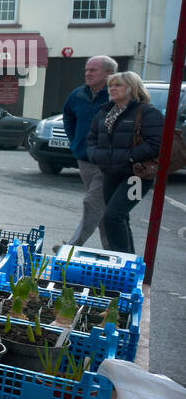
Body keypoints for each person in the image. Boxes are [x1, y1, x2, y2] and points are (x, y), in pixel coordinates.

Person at [85, 71, 163, 256]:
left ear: (132, 88)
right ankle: (127, 261)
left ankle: (122, 261)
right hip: (111, 173)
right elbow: (91, 139)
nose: (112, 88)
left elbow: (157, 143)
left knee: (113, 216)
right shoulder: (105, 113)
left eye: (118, 85)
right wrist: (96, 156)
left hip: (136, 176)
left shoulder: (147, 113)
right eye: (111, 85)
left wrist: (128, 157)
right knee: (119, 218)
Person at [59, 55, 115, 251]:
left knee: (92, 202)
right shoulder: (78, 94)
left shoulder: (116, 94)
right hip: (84, 160)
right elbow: (68, 116)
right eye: (86, 70)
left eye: (93, 70)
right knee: (101, 208)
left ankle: (72, 247)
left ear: (109, 72)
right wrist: (75, 141)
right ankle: (115, 251)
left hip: (108, 163)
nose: (88, 74)